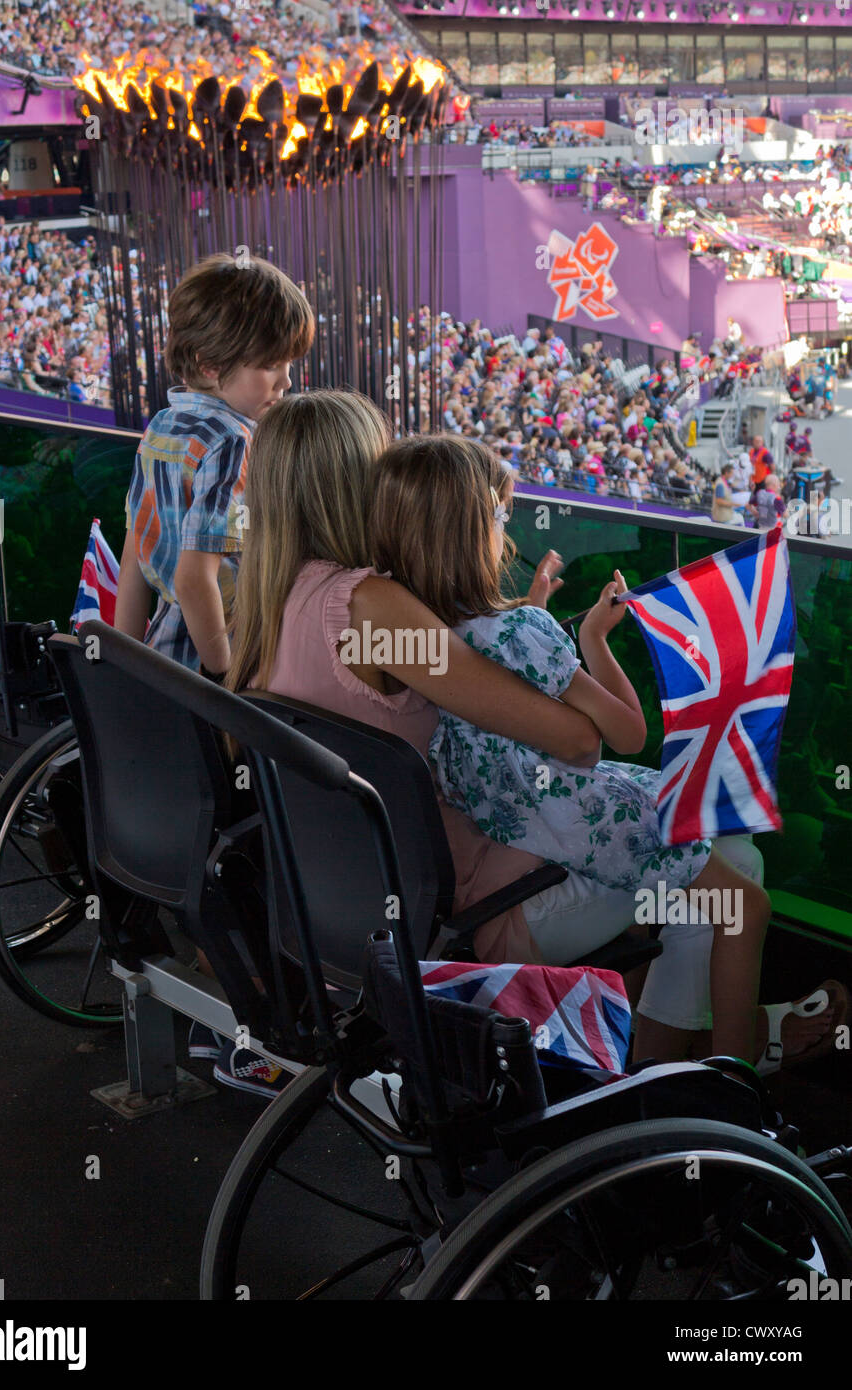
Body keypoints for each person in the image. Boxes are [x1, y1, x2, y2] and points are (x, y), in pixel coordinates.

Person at [367, 435, 843, 1069]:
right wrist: (594, 637)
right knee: (745, 903)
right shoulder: (524, 631)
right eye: (500, 515)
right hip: (561, 857)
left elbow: (499, 696)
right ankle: (734, 1089)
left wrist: (537, 620)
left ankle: (660, 1070)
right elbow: (625, 734)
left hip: (519, 852)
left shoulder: (423, 635)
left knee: (730, 868)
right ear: (473, 527)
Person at [114, 252, 315, 1096]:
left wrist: (118, 662)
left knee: (203, 856)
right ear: (208, 366)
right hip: (210, 673)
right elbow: (199, 578)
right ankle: (259, 1028)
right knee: (251, 846)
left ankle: (215, 1009)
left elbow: (136, 555)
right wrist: (231, 684)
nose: (284, 380)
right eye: (269, 363)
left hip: (156, 665)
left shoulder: (164, 429)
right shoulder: (238, 446)